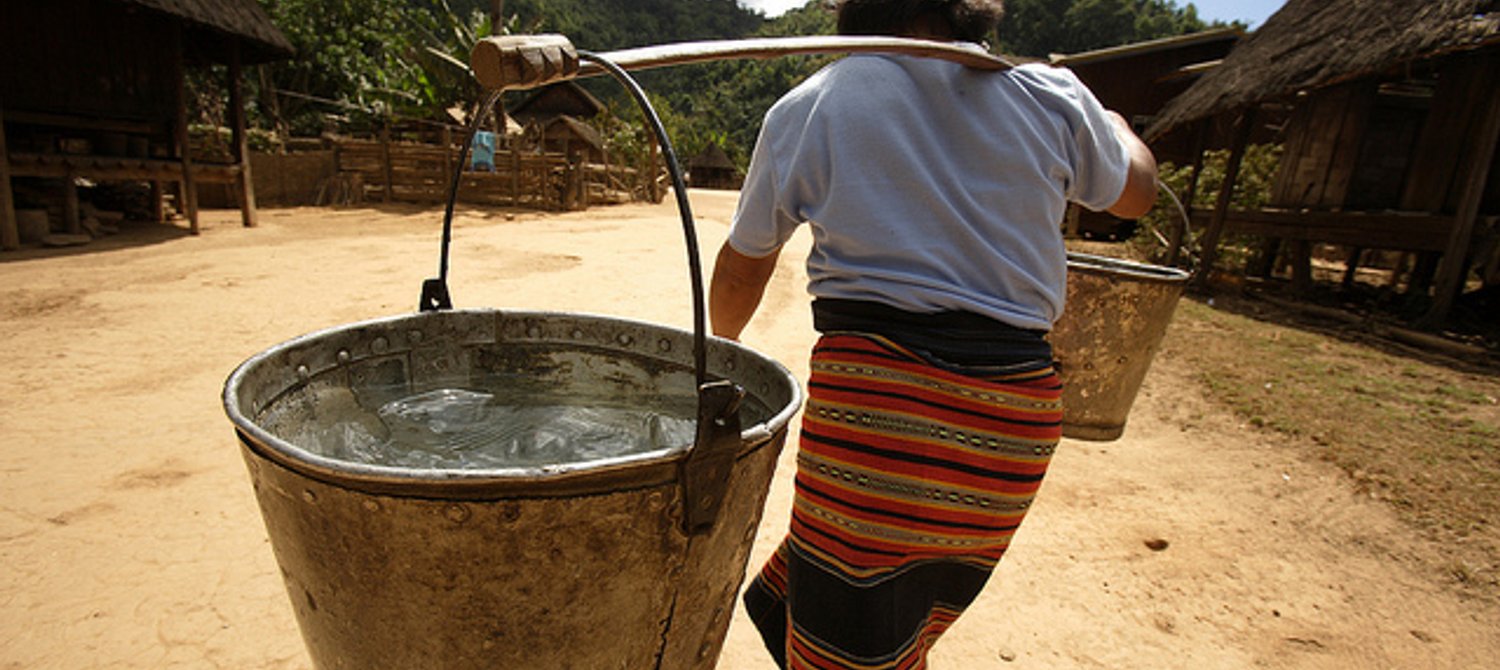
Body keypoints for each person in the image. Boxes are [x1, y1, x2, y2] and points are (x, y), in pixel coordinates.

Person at [708, 1, 1158, 667]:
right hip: (1011, 424)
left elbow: (744, 269)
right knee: (896, 611)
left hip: (877, 412)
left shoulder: (814, 105)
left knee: (851, 622)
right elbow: (1138, 193)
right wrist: (1117, 127)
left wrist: (724, 359)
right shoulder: (1049, 94)